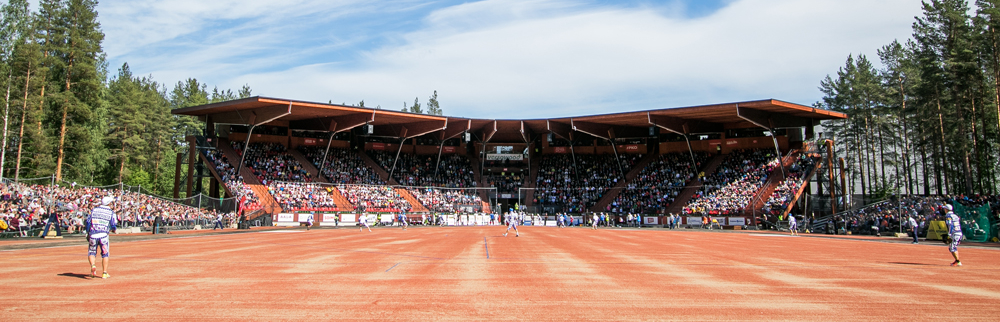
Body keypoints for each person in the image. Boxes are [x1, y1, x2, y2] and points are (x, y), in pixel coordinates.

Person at [86, 196, 117, 279]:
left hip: (93, 234)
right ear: (109, 203)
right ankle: (104, 272)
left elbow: (88, 222)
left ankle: (93, 265)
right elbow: (113, 224)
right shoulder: (111, 212)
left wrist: (88, 232)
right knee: (105, 254)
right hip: (103, 235)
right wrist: (113, 229)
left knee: (91, 252)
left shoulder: (94, 210)